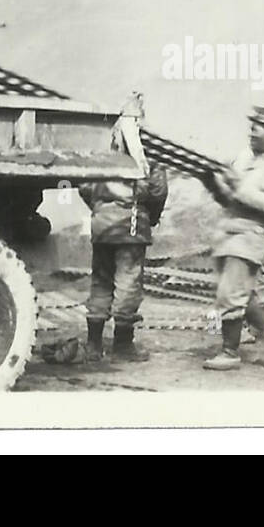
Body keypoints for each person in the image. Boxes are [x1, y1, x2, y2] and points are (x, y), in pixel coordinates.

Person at [201, 106, 264, 371]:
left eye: (259, 127)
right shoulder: (244, 159)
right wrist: (211, 183)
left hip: (253, 234)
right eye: (252, 126)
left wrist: (237, 185)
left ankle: (229, 352)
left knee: (232, 293)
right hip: (231, 232)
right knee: (233, 293)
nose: (252, 132)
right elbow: (229, 199)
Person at [77, 95, 169, 362]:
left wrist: (100, 209)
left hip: (102, 227)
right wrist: (150, 217)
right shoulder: (147, 161)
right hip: (131, 227)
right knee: (128, 283)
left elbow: (85, 187)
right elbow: (158, 192)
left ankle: (94, 344)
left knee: (101, 282)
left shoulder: (103, 159)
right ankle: (123, 345)